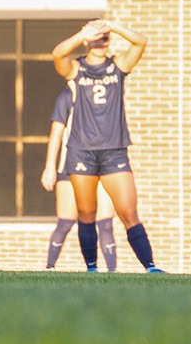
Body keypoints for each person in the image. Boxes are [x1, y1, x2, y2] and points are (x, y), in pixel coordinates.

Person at [51, 18, 162, 273]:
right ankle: (92, 268)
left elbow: (141, 42)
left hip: (114, 150)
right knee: (87, 213)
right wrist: (83, 34)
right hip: (82, 150)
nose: (102, 40)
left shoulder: (117, 66)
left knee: (128, 212)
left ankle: (151, 267)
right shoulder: (76, 69)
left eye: (105, 37)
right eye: (97, 37)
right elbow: (57, 54)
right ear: (89, 41)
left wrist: (112, 25)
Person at [41, 86, 116, 271]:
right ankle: (50, 268)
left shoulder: (109, 95)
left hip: (103, 165)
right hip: (72, 166)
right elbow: (56, 133)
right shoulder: (68, 96)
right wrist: (50, 166)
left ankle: (112, 273)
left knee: (105, 223)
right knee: (66, 222)